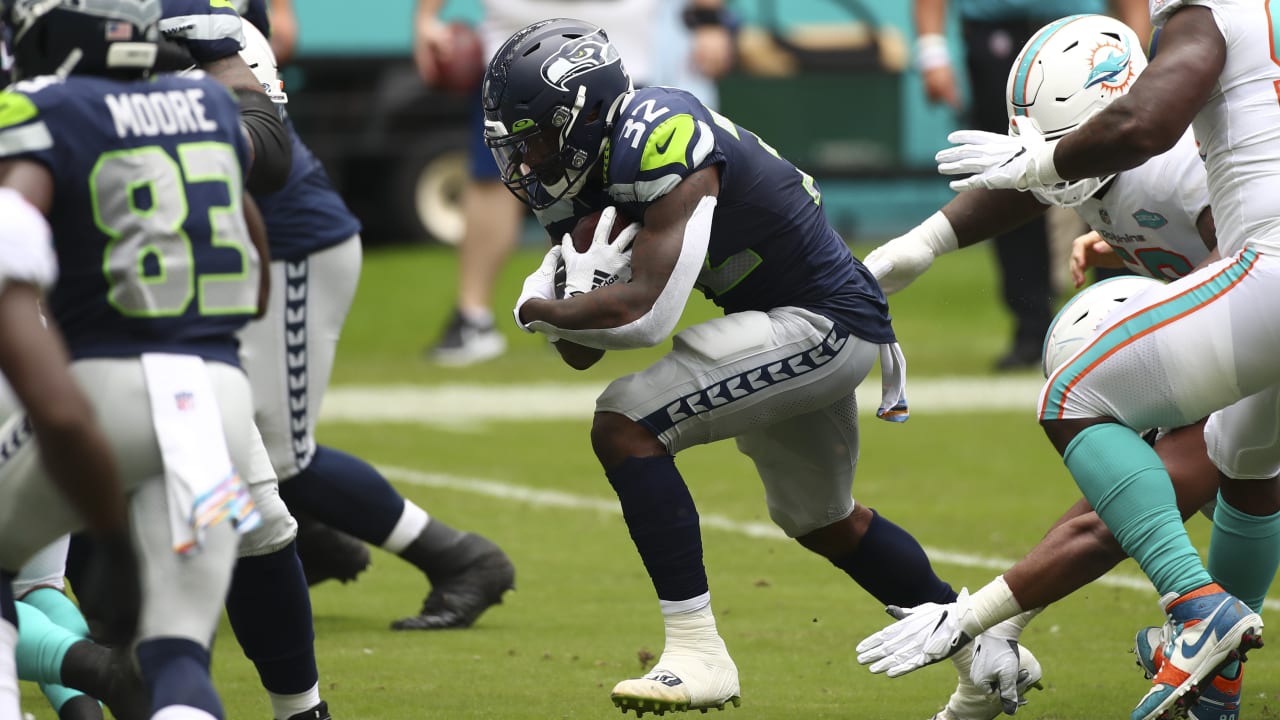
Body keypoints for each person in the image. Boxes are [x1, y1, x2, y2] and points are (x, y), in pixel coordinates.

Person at [488, 18, 1040, 718]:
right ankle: (988, 653)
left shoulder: (661, 131)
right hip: (785, 324)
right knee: (821, 518)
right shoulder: (579, 175)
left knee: (625, 422)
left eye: (534, 136)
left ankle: (696, 653)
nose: (527, 160)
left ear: (584, 110)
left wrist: (541, 307)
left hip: (823, 322)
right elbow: (581, 348)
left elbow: (646, 318)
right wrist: (565, 299)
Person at [863, 1, 1280, 718]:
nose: (1042, 159)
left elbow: (1131, 149)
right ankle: (1217, 678)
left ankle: (1200, 610)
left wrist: (982, 618)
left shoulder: (1172, 145)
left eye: (1061, 140)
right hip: (1254, 307)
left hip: (1262, 289)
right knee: (1246, 467)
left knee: (1081, 400)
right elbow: (1046, 176)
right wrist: (923, 243)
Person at [0, 0, 271, 717]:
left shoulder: (39, 109)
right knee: (178, 652)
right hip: (217, 402)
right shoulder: (207, 105)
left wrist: (111, 540)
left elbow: (8, 255)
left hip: (107, 389)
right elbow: (258, 269)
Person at [232, 0, 518, 632]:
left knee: (278, 455)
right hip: (231, 247)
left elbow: (263, 134)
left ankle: (460, 558)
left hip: (287, 244)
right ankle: (307, 538)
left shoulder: (197, 31)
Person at [415, 0, 734, 366]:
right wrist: (426, 17)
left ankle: (603, 302)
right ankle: (476, 315)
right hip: (515, 43)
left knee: (620, 177)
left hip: (612, 46)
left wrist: (709, 19)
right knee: (502, 176)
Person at [912, 0, 1149, 370]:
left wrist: (1137, 35)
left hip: (1087, 39)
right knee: (1007, 173)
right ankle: (1031, 326)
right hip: (1000, 37)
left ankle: (1119, 314)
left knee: (1114, 168)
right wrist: (931, 51)